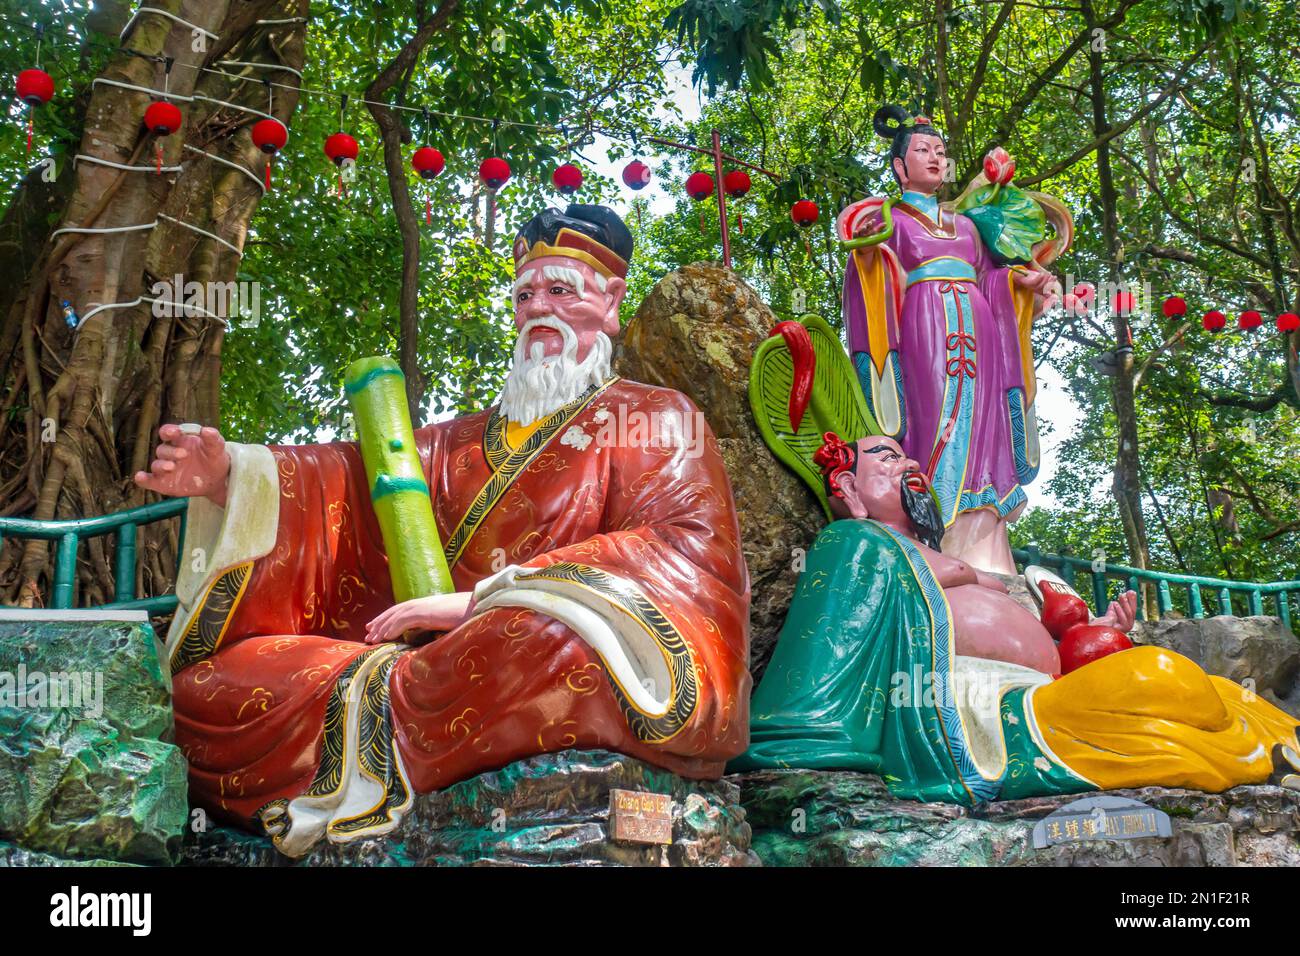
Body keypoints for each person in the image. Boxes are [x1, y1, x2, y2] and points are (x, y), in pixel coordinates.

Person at [136, 205, 751, 856]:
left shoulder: (656, 416)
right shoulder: (456, 442)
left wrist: (485, 601)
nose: (537, 307)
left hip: (521, 647)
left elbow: (687, 554)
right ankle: (393, 740)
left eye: (560, 290)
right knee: (207, 689)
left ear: (610, 300)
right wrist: (232, 474)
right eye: (525, 293)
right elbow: (345, 482)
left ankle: (396, 732)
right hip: (428, 667)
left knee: (561, 643)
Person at [731, 431, 1300, 804]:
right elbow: (820, 675)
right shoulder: (855, 542)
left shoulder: (961, 561)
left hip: (1044, 693)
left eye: (905, 454)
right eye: (885, 456)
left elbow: (1062, 641)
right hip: (980, 716)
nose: (907, 463)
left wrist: (1100, 629)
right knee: (1163, 678)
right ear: (850, 489)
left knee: (1216, 690)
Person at [838, 105, 1062, 574]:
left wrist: (1023, 284)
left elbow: (991, 280)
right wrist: (870, 254)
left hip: (979, 324)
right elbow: (871, 273)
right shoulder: (890, 219)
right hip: (925, 324)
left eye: (941, 152)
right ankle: (933, 530)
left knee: (984, 421)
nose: (936, 159)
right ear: (900, 167)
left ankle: (983, 534)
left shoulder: (966, 226)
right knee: (935, 415)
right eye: (923, 151)